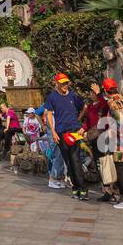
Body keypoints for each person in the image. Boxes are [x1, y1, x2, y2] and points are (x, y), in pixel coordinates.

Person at [41, 72, 88, 201]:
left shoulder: (73, 95)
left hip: (74, 132)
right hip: (61, 132)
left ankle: (82, 188)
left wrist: (78, 121)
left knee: (75, 160)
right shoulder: (52, 97)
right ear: (56, 83)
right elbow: (49, 115)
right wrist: (53, 131)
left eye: (66, 83)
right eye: (62, 83)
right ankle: (75, 188)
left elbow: (84, 107)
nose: (65, 85)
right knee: (68, 161)